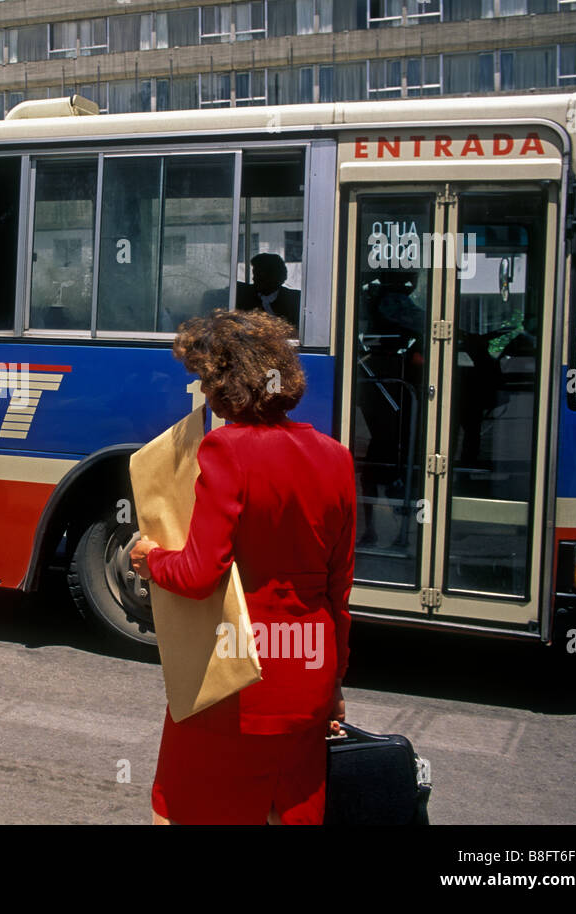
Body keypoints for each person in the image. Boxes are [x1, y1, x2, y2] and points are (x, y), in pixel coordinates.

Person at [130, 309, 355, 825]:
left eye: (204, 380)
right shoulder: (335, 456)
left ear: (222, 385)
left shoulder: (226, 450)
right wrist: (335, 683)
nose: (202, 393)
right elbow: (339, 590)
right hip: (309, 676)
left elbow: (198, 575)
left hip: (233, 678)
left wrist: (149, 560)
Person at [236, 252, 300, 329]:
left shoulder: (294, 300)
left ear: (275, 276)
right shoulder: (243, 295)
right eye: (255, 274)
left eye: (260, 275)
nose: (254, 279)